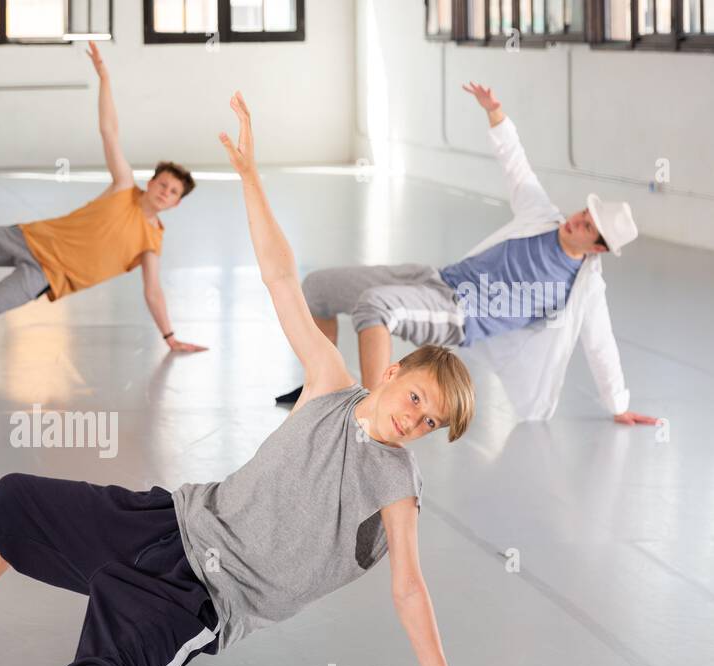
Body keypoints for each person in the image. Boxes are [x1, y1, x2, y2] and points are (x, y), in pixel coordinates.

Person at [0, 93, 514, 666]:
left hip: (197, 596)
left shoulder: (395, 487)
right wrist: (250, 175)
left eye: (431, 422)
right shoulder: (331, 384)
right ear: (396, 370)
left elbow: (409, 585)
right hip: (166, 518)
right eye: (416, 398)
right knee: (10, 501)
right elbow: (281, 280)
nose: (415, 419)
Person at [277, 82, 657, 426]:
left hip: (461, 314)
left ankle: (375, 422)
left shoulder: (583, 288)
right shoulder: (542, 216)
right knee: (318, 287)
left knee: (375, 307)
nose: (577, 221)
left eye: (587, 227)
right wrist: (495, 114)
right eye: (583, 214)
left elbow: (600, 345)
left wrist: (618, 404)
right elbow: (517, 168)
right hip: (435, 277)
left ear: (598, 248)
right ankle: (322, 391)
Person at [0, 41, 207, 359]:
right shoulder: (124, 186)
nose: (165, 191)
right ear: (150, 183)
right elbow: (109, 131)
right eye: (163, 184)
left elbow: (153, 292)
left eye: (173, 192)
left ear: (176, 203)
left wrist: (170, 337)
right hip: (28, 236)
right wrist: (105, 79)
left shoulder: (150, 242)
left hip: (44, 274)